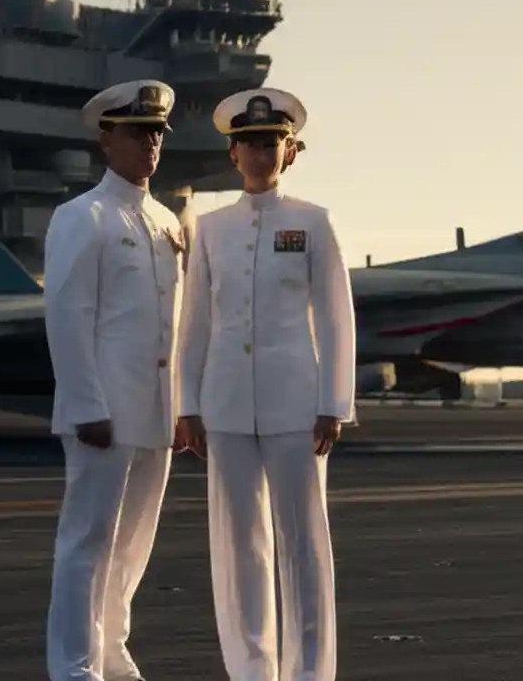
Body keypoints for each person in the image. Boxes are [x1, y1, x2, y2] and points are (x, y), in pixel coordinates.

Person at [176, 88, 356, 681]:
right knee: (240, 549)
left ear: (291, 151)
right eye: (249, 143)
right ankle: (252, 671)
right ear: (233, 154)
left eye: (270, 142)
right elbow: (195, 320)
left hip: (296, 406)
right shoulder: (210, 228)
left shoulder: (312, 222)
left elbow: (335, 316)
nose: (259, 152)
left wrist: (334, 403)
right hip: (226, 406)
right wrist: (188, 403)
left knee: (303, 547)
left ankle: (308, 673)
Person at [44, 79, 187, 681]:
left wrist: (182, 406)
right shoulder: (84, 217)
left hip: (154, 410)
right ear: (107, 140)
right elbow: (69, 315)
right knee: (87, 544)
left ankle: (111, 650)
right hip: (103, 409)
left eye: (156, 132)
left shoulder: (164, 221)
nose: (150, 142)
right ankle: (75, 664)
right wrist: (85, 405)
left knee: (131, 546)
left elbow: (175, 323)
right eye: (137, 131)